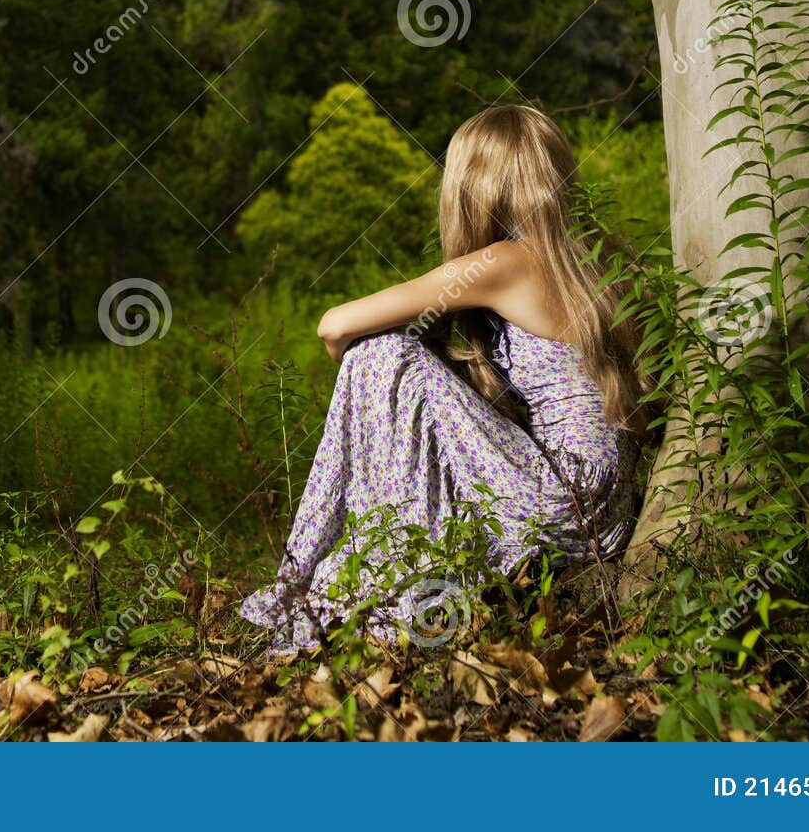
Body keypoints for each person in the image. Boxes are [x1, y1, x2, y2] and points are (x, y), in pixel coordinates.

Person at [240, 104, 646, 653]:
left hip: (556, 500)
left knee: (379, 356)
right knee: (397, 360)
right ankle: (377, 573)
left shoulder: (505, 262)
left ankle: (352, 583)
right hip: (601, 511)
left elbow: (334, 326)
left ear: (472, 188)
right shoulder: (594, 264)